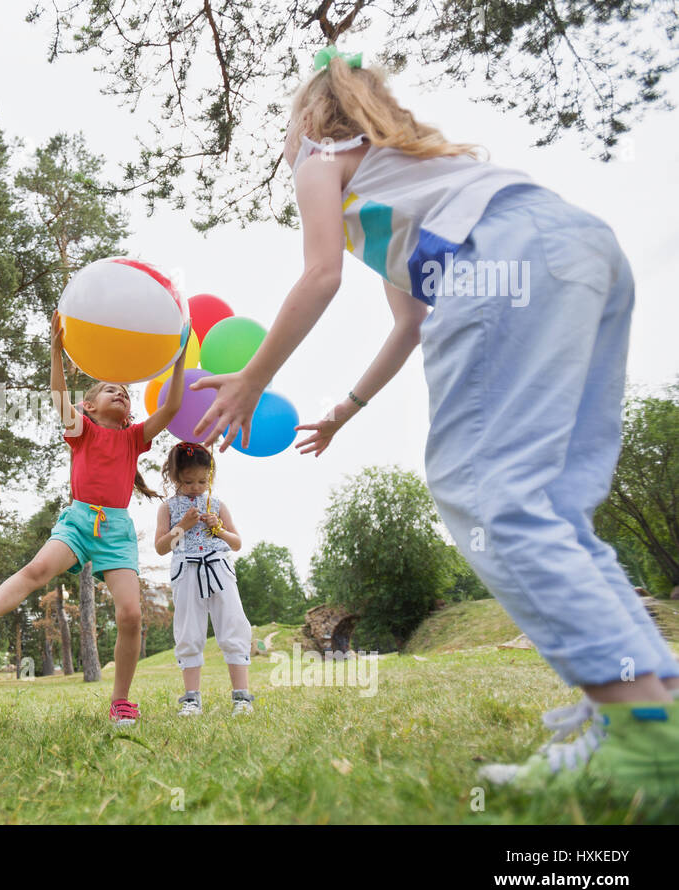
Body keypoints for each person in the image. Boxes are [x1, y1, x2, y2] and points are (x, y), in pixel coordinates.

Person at [191, 48, 678, 795]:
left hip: (494, 264)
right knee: (548, 507)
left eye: (286, 127)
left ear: (314, 120)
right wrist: (344, 413)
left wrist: (254, 380)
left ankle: (645, 744)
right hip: (579, 249)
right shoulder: (407, 180)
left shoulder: (322, 156)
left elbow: (317, 274)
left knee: (487, 492)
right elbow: (411, 324)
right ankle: (647, 709)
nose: (285, 144)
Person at [0, 312, 186, 726]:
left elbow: (174, 406)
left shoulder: (133, 438)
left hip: (116, 530)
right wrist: (55, 350)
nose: (122, 393)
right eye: (111, 389)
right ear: (88, 406)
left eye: (126, 392)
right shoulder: (83, 431)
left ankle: (121, 699)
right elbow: (57, 396)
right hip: (78, 520)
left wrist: (179, 357)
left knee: (131, 615)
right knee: (36, 569)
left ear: (129, 414)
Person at [153, 442, 252, 717]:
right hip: (186, 570)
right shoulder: (168, 507)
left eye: (202, 481)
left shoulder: (218, 504)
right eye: (188, 482)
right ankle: (191, 699)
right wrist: (181, 527)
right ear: (174, 478)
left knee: (233, 624)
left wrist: (217, 528)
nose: (196, 487)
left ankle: (242, 696)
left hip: (219, 567)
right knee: (189, 630)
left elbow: (236, 543)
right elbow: (161, 547)